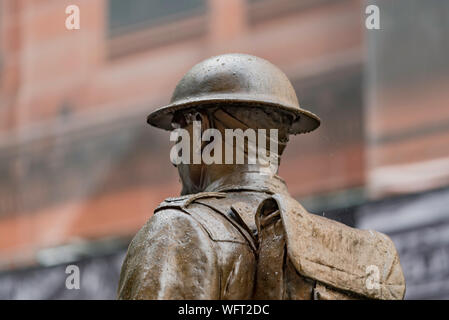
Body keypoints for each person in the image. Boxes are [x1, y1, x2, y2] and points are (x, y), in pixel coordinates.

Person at [117, 53, 405, 300]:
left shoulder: (177, 229)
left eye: (178, 133)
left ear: (201, 129)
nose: (176, 158)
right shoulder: (336, 252)